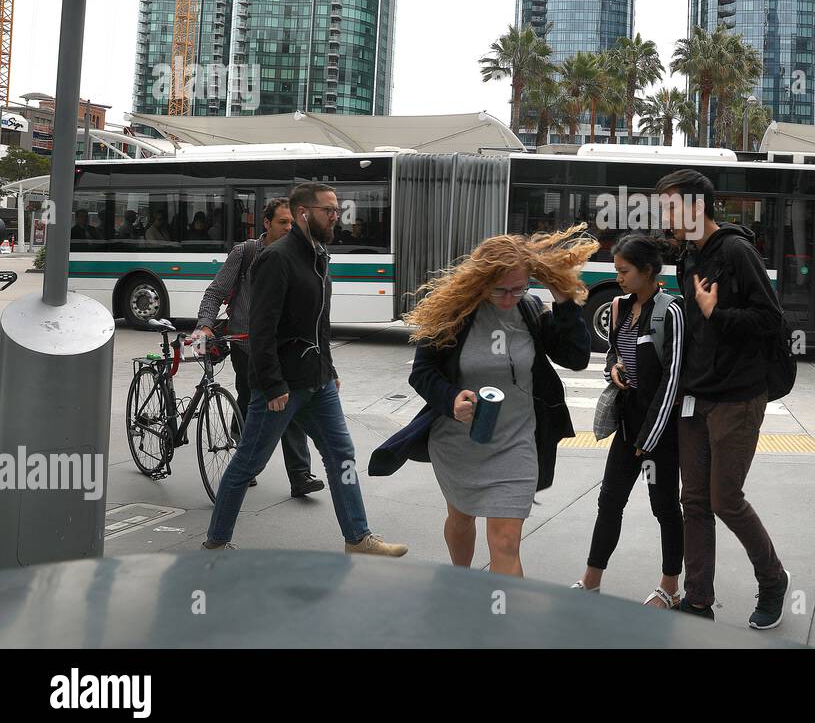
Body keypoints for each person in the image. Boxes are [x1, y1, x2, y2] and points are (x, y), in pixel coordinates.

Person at [368, 224, 596, 576]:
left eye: (518, 289)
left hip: (518, 441)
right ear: (480, 281)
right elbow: (422, 372)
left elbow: (577, 357)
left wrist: (564, 300)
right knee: (461, 518)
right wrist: (450, 399)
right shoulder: (452, 314)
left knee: (505, 540)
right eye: (499, 291)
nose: (508, 299)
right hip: (460, 441)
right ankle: (462, 579)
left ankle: (502, 620)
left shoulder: (531, 311)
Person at [204, 182, 407, 556]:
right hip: (282, 387)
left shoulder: (319, 254)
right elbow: (262, 327)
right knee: (248, 464)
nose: (336, 216)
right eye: (328, 210)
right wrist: (272, 382)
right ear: (303, 214)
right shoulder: (277, 258)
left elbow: (319, 322)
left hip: (318, 381)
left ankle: (357, 537)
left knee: (342, 455)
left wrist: (328, 367)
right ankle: (216, 541)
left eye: (336, 210)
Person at [655, 168, 790, 630]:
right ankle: (698, 601)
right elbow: (694, 332)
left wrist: (719, 313)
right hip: (695, 397)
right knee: (692, 500)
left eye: (671, 206)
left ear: (696, 208)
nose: (665, 216)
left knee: (724, 499)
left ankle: (773, 580)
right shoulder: (688, 258)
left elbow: (770, 320)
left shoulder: (736, 250)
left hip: (737, 396)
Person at [571, 234, 686, 607]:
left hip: (659, 431)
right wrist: (614, 369)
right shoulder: (620, 307)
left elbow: (674, 380)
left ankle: (670, 586)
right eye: (617, 270)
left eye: (624, 271)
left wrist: (649, 438)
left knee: (664, 506)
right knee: (610, 501)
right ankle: (591, 580)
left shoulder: (671, 312)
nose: (618, 277)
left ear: (648, 271)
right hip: (626, 423)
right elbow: (612, 356)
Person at [191, 197, 322, 499]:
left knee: (288, 399)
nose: (289, 228)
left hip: (283, 346)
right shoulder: (246, 253)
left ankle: (300, 474)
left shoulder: (299, 254)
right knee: (252, 401)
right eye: (282, 222)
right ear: (266, 223)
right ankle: (244, 462)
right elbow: (216, 292)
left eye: (293, 222)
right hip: (246, 344)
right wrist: (204, 324)